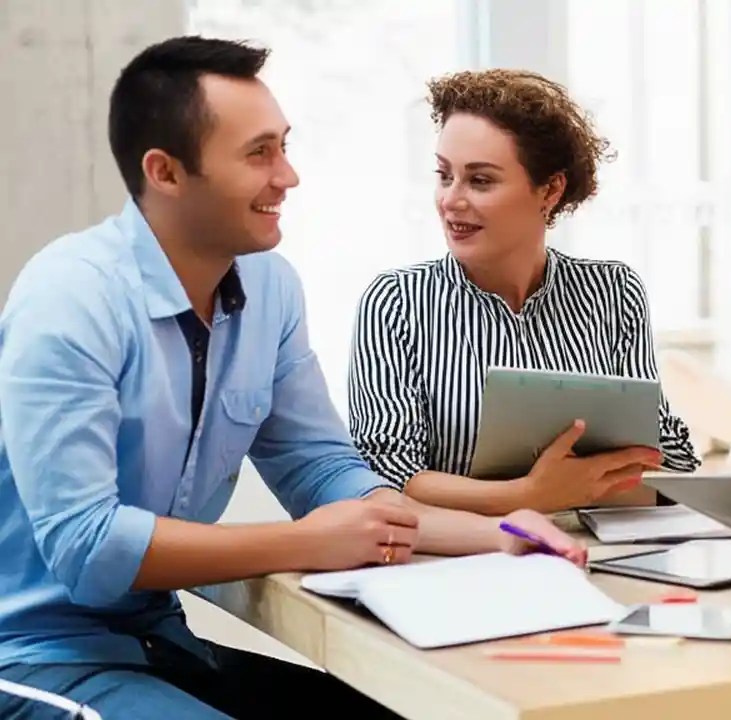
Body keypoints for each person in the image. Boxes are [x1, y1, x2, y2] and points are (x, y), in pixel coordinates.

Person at [0, 37, 580, 720]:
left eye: (284, 146)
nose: (288, 176)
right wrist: (308, 541)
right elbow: (88, 549)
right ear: (166, 172)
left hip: (156, 640)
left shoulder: (270, 289)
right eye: (258, 154)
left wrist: (496, 532)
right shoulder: (70, 297)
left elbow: (324, 473)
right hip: (35, 655)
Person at [348, 68, 700, 516]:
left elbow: (669, 458)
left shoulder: (614, 291)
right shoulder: (396, 302)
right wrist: (527, 498)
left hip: (597, 552)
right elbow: (388, 471)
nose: (450, 200)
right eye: (444, 175)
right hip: (455, 560)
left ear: (550, 190)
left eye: (480, 180)